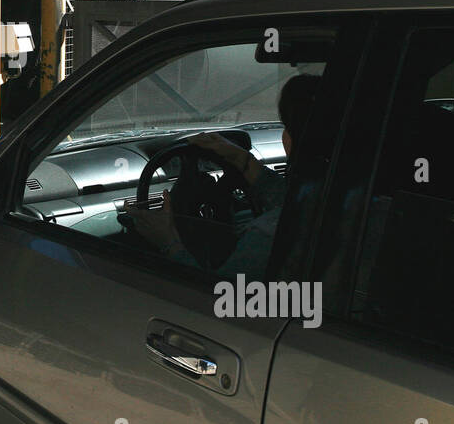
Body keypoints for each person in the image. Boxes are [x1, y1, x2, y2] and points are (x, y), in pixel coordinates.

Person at [131, 73, 322, 278]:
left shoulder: (270, 236)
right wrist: (243, 161)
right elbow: (296, 202)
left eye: (286, 126)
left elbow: (216, 300)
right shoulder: (341, 200)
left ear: (293, 141)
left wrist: (168, 242)